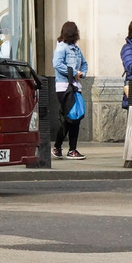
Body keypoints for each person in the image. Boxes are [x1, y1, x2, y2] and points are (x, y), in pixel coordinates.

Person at [52, 20, 88, 160]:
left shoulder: (76, 48)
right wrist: (74, 72)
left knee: (73, 117)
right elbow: (56, 64)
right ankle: (67, 149)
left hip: (74, 87)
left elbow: (84, 63)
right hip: (64, 87)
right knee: (70, 118)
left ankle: (60, 147)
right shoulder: (62, 48)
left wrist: (82, 73)